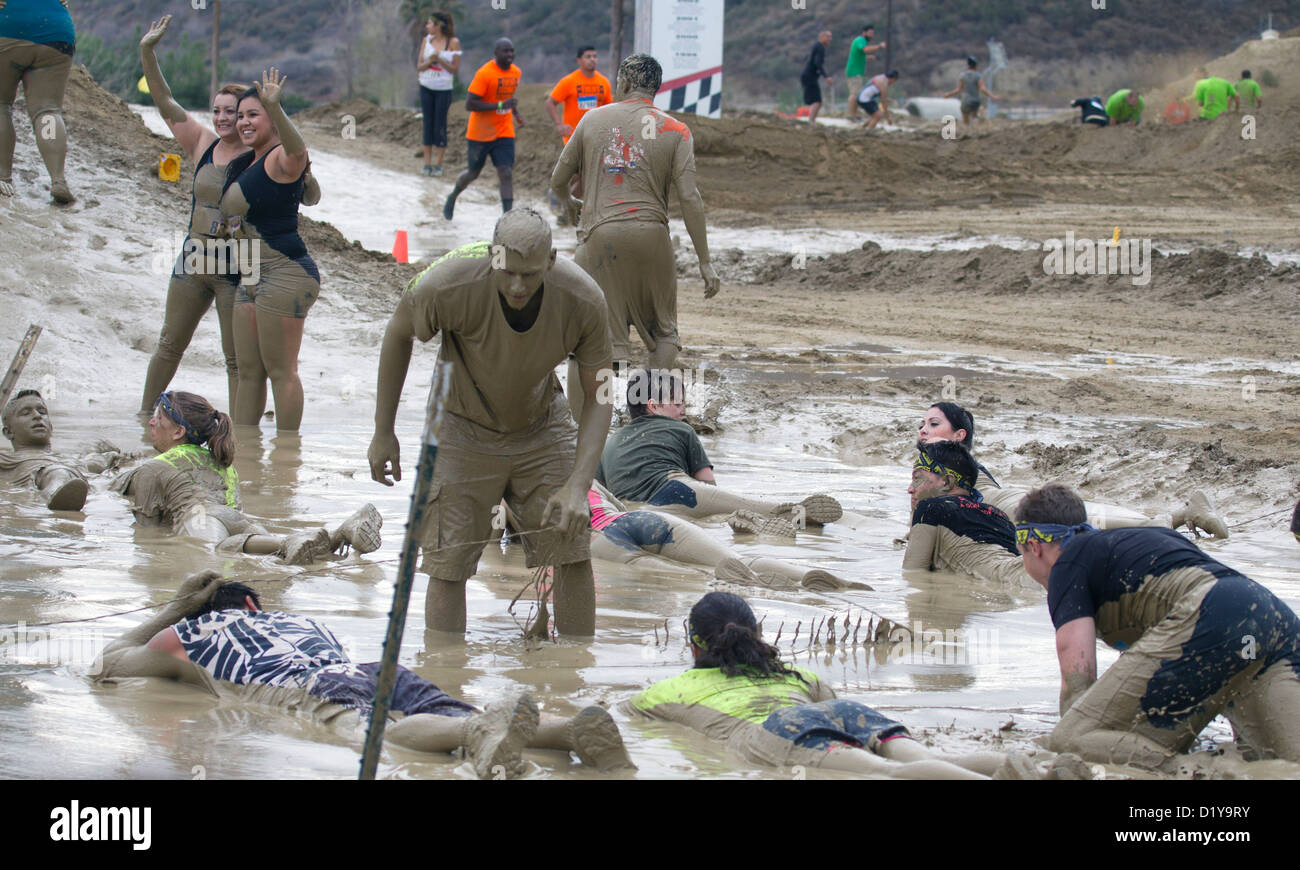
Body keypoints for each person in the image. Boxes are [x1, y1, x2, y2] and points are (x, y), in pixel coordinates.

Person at [96, 573, 634, 779]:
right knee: (447, 711)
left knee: (378, 735)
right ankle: (569, 732)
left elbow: (108, 664)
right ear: (257, 604)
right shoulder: (293, 619)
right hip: (368, 666)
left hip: (305, 687)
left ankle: (479, 733)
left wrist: (175, 607)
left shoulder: (195, 633)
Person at [368, 209, 613, 635]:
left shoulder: (583, 299)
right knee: (448, 559)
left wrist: (578, 485)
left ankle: (576, 671)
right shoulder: (447, 284)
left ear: (551, 262)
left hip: (542, 424)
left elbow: (600, 394)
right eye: (507, 271)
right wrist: (383, 432)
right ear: (491, 255)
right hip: (460, 425)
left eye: (530, 275)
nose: (518, 286)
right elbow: (397, 332)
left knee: (571, 547)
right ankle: (446, 678)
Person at [1015, 483, 1300, 768]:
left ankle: (1204, 772)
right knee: (1277, 761)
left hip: (1211, 614)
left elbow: (1076, 685)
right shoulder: (1138, 542)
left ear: (1034, 547)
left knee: (1072, 738)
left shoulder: (1068, 564)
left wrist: (1069, 742)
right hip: (1270, 618)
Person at [624, 592, 1008, 778]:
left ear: (693, 643)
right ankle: (1032, 770)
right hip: (840, 712)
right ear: (758, 634)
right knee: (934, 763)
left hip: (777, 731)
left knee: (883, 775)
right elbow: (829, 703)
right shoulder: (798, 675)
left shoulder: (664, 692)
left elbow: (631, 721)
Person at [550, 53, 719, 381]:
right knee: (663, 332)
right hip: (652, 237)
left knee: (588, 338)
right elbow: (689, 198)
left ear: (624, 83)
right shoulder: (677, 130)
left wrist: (569, 203)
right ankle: (645, 410)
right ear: (656, 89)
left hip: (599, 238)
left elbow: (558, 181)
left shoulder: (593, 120)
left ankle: (583, 422)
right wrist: (705, 261)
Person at [113, 390, 381, 565]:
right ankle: (340, 533)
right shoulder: (223, 464)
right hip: (241, 523)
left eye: (158, 418)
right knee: (288, 554)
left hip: (203, 520)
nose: (150, 422)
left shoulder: (153, 467)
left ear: (178, 432)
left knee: (214, 550)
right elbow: (232, 509)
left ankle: (295, 540)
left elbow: (147, 534)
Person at [138, 15, 246, 413]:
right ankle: (145, 416)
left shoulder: (262, 157)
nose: (222, 118)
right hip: (194, 254)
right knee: (169, 344)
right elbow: (165, 103)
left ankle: (242, 438)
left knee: (237, 360)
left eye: (231, 112)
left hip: (240, 262)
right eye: (217, 110)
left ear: (249, 115)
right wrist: (148, 52)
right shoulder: (202, 141)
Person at [916, 401, 1229, 538]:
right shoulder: (955, 465)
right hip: (1008, 499)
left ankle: (1162, 525)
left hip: (1004, 505)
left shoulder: (938, 466)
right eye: (922, 425)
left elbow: (923, 522)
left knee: (1082, 525)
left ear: (960, 436)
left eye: (933, 424)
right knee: (1086, 521)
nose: (923, 431)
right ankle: (1180, 515)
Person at [596, 369, 841, 534]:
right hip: (678, 490)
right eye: (679, 403)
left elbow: (600, 495)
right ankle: (794, 514)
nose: (684, 410)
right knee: (744, 506)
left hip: (640, 511)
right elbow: (708, 483)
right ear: (654, 406)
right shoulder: (682, 430)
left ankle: (745, 524)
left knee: (706, 520)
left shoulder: (607, 444)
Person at [220, 70, 319, 432]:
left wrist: (276, 108)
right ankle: (244, 456)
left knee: (282, 372)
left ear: (271, 120)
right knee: (248, 373)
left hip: (285, 272)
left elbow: (299, 150)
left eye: (253, 114)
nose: (244, 122)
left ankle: (287, 461)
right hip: (249, 273)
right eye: (240, 115)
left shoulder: (281, 158)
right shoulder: (244, 162)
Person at [587, 482, 864, 592]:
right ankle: (826, 579)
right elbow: (621, 508)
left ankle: (766, 589)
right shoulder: (583, 472)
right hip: (639, 520)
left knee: (697, 576)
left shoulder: (542, 476)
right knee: (741, 559)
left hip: (602, 541)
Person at [903, 440, 1033, 587]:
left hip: (1002, 582)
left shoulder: (930, 508)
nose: (910, 489)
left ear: (946, 482)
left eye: (917, 479)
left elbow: (913, 574)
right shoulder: (997, 514)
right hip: (1029, 573)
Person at [1, 389, 130, 511]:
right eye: (26, 413)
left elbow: (95, 463)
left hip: (93, 485)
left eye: (42, 412)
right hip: (52, 479)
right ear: (8, 432)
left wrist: (111, 454)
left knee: (144, 473)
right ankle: (55, 496)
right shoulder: (6, 459)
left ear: (51, 427)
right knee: (60, 473)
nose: (37, 416)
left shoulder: (71, 459)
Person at [0, 0, 75, 202]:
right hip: (57, 30)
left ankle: (3, 178)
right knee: (47, 110)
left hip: (8, 25)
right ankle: (58, 180)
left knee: (1, 105)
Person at [442, 37, 523, 219]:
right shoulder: (485, 74)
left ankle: (507, 218)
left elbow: (508, 97)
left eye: (512, 51)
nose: (510, 55)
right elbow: (470, 104)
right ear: (495, 54)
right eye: (505, 51)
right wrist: (501, 106)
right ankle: (453, 196)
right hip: (480, 133)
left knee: (506, 172)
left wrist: (516, 113)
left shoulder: (516, 73)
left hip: (504, 131)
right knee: (473, 173)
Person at [416, 11, 460, 177]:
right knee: (427, 123)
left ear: (438, 25)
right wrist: (430, 61)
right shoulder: (426, 41)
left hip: (443, 89)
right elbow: (419, 66)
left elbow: (455, 69)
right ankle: (427, 163)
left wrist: (440, 60)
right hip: (426, 86)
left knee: (440, 124)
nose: (427, 26)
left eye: (429, 23)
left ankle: (439, 164)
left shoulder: (453, 43)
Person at [941, 57, 997, 132]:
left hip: (966, 101)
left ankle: (968, 133)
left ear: (968, 65)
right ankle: (976, 132)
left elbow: (959, 90)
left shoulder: (963, 76)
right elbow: (982, 89)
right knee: (974, 118)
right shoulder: (978, 76)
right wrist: (992, 96)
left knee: (965, 121)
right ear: (976, 66)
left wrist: (948, 94)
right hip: (976, 101)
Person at [844, 25, 884, 120]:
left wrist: (866, 58)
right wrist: (879, 46)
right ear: (864, 32)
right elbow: (865, 49)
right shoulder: (860, 40)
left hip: (856, 72)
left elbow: (859, 54)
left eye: (872, 34)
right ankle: (851, 115)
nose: (871, 35)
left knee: (857, 93)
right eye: (869, 33)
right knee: (854, 93)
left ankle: (853, 114)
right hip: (854, 72)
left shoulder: (862, 41)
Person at [799, 30, 833, 124]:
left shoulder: (817, 46)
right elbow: (817, 63)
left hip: (808, 76)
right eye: (827, 36)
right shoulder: (820, 47)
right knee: (817, 101)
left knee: (814, 101)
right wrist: (826, 77)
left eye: (830, 37)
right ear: (821, 37)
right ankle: (811, 121)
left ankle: (811, 120)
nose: (830, 39)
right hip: (810, 77)